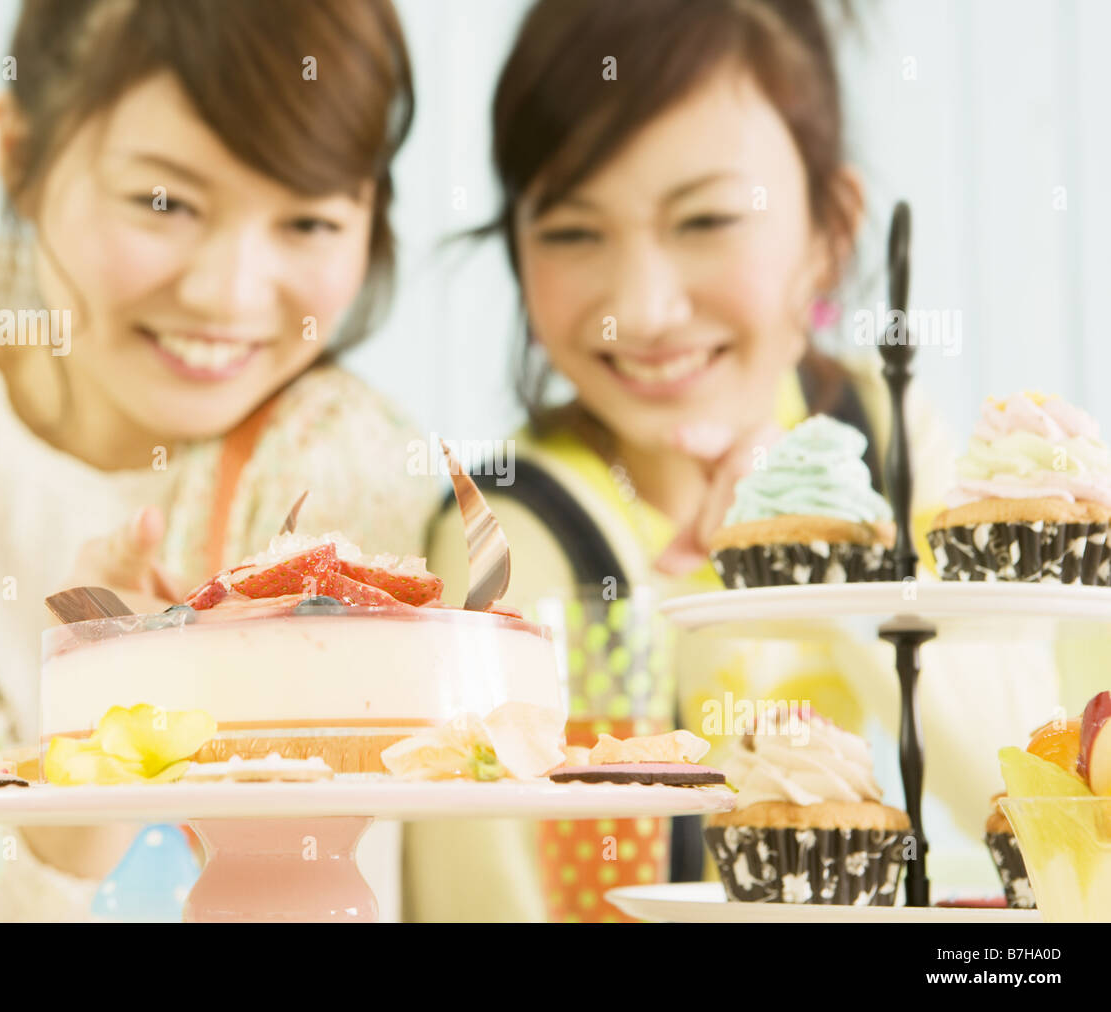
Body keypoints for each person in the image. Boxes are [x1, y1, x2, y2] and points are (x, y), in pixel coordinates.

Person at [405, 0, 1057, 922]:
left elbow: (1037, 798)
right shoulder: (511, 531)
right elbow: (474, 896)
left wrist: (824, 577)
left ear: (831, 229)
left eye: (706, 219)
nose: (644, 307)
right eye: (573, 231)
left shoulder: (892, 439)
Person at [0, 0, 433, 920]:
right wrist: (70, 832)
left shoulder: (349, 471)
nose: (228, 294)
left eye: (305, 223)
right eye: (164, 202)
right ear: (19, 153)